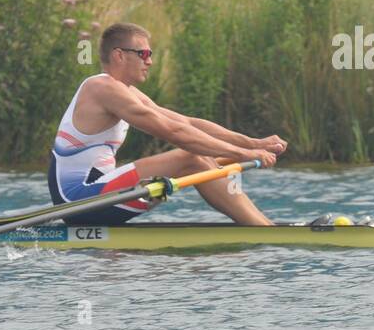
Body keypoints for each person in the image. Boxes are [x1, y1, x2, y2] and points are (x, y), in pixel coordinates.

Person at [48, 22, 286, 225]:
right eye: (143, 54)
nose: (150, 61)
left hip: (99, 194)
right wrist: (244, 152)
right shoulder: (102, 88)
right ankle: (266, 232)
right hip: (78, 200)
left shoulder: (125, 91)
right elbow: (174, 133)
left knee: (204, 158)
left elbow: (185, 122)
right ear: (119, 55)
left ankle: (266, 227)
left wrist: (254, 143)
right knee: (192, 157)